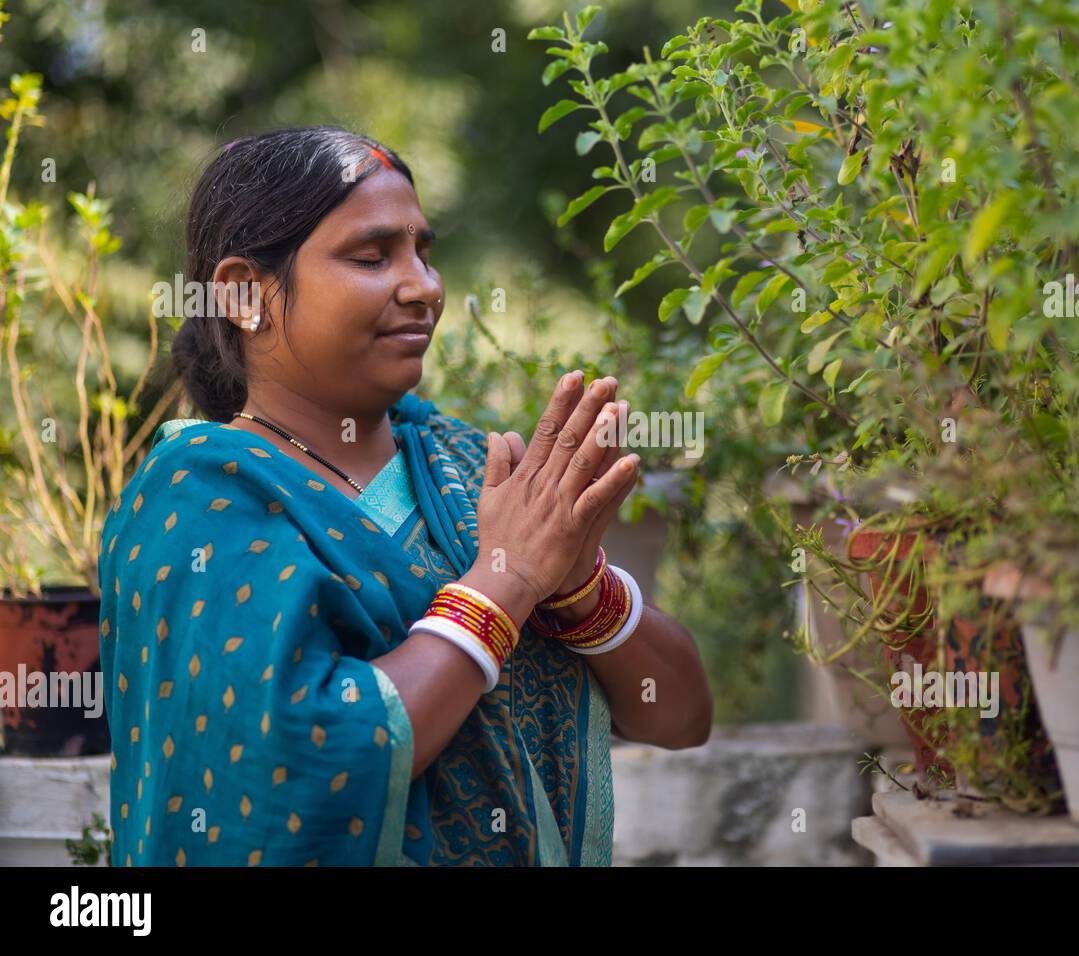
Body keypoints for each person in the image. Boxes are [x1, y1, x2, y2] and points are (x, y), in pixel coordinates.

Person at [98, 126, 713, 866]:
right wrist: (506, 582)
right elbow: (302, 763)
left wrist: (580, 588)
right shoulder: (197, 497)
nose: (424, 286)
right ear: (242, 293)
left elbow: (681, 717)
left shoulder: (466, 469)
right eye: (371, 256)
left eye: (424, 251)